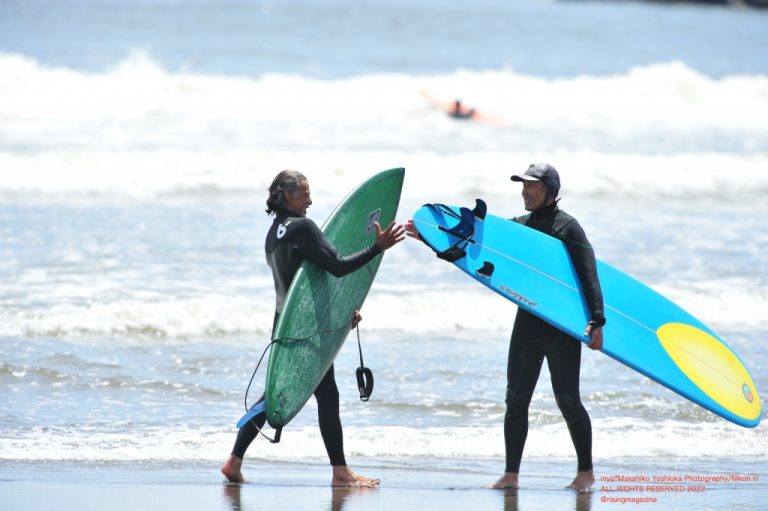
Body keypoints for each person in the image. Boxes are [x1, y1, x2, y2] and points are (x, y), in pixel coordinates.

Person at [405, 162, 604, 492]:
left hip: (560, 327)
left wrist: (597, 320)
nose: (524, 191)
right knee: (516, 400)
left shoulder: (570, 228)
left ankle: (586, 472)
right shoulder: (518, 228)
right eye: (522, 185)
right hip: (528, 321)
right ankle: (511, 474)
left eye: (532, 186)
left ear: (551, 191)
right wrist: (430, 239)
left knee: (568, 400)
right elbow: (472, 250)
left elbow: (589, 275)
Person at [221, 169, 406, 487]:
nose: (310, 200)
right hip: (307, 331)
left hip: (286, 324)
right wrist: (378, 247)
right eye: (305, 193)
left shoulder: (273, 234)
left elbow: (305, 286)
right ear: (287, 196)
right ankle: (340, 473)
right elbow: (337, 267)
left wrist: (343, 311)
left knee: (292, 395)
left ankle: (235, 461)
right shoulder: (303, 228)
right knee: (303, 396)